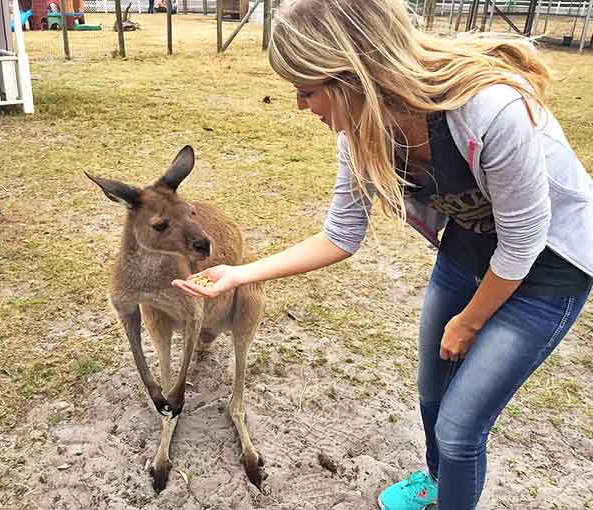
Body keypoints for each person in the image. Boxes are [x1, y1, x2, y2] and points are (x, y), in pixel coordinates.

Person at [172, 0, 593, 509]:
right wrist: (239, 273)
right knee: (432, 390)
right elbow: (341, 235)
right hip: (473, 246)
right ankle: (439, 485)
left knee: (461, 428)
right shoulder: (362, 134)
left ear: (351, 75)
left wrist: (469, 322)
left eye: (306, 91)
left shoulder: (491, 109)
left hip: (549, 264)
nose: (301, 107)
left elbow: (525, 238)